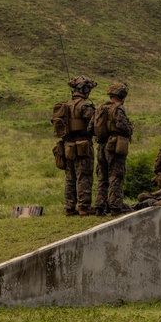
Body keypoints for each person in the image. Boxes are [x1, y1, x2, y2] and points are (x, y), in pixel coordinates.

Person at [92, 81, 134, 216]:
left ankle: (99, 206)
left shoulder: (100, 108)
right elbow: (122, 126)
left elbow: (90, 128)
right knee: (116, 176)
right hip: (115, 147)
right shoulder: (118, 109)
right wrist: (130, 129)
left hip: (101, 147)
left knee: (102, 177)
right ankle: (115, 206)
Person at [59, 75, 98, 216]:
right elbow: (95, 125)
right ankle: (84, 206)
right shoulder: (85, 106)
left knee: (70, 176)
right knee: (84, 175)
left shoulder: (65, 105)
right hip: (83, 145)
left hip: (68, 145)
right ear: (84, 89)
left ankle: (69, 207)